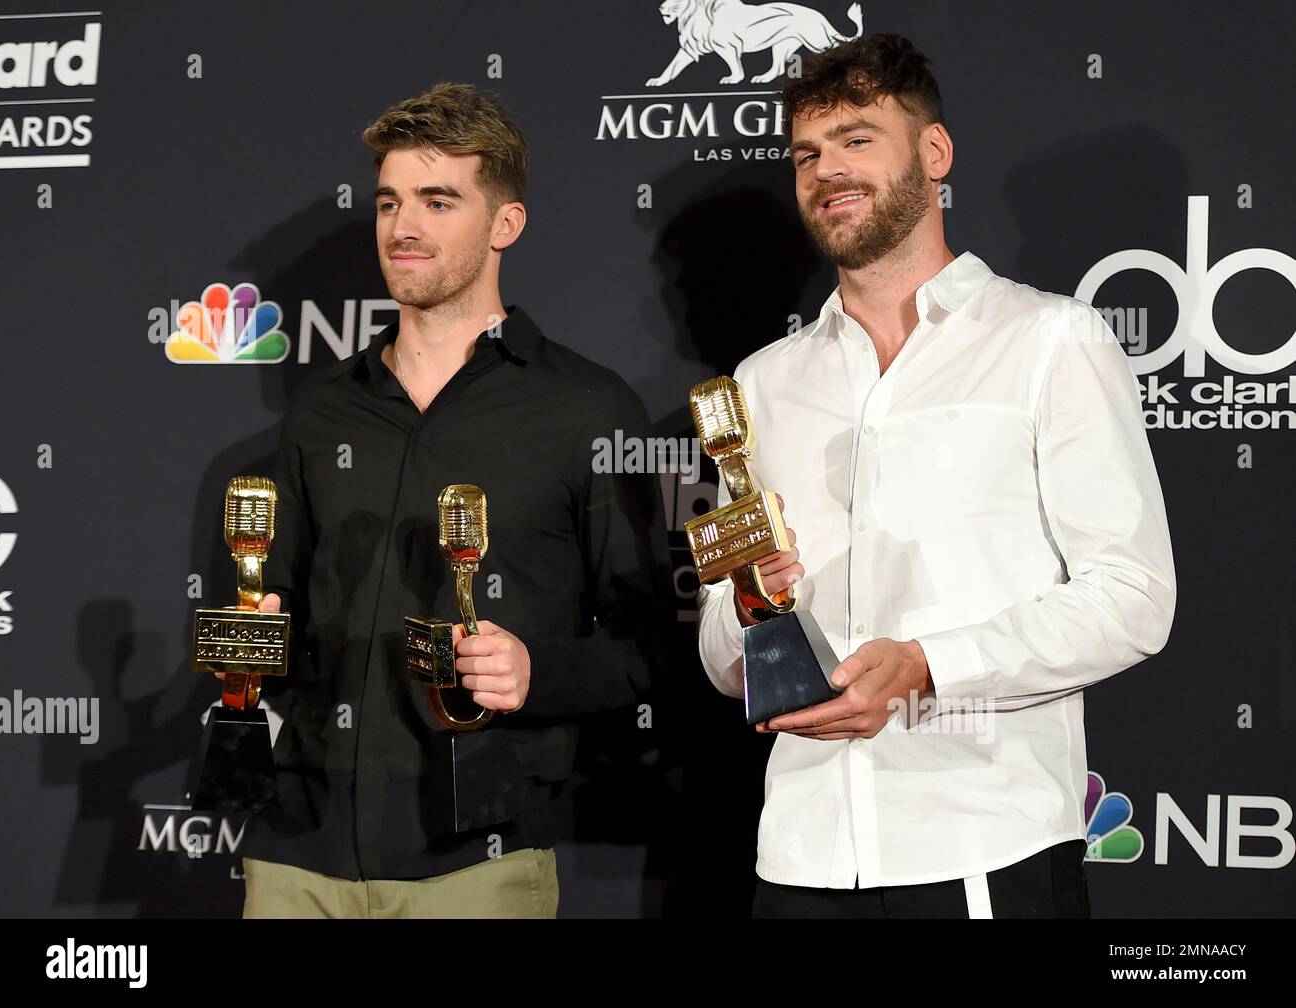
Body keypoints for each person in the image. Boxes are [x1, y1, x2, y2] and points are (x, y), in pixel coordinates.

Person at [696, 35, 1176, 918]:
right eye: (806, 153)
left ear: (934, 152)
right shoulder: (761, 384)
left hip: (983, 844)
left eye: (856, 139)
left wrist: (927, 666)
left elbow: (1133, 597)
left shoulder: (1050, 341)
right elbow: (726, 654)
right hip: (800, 859)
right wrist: (754, 613)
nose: (827, 170)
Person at [234, 83, 673, 918]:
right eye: (391, 202)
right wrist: (247, 646)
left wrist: (536, 669)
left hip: (475, 865)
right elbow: (274, 619)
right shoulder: (321, 410)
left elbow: (649, 646)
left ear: (504, 225)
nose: (403, 228)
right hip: (295, 851)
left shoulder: (587, 409)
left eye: (439, 202)